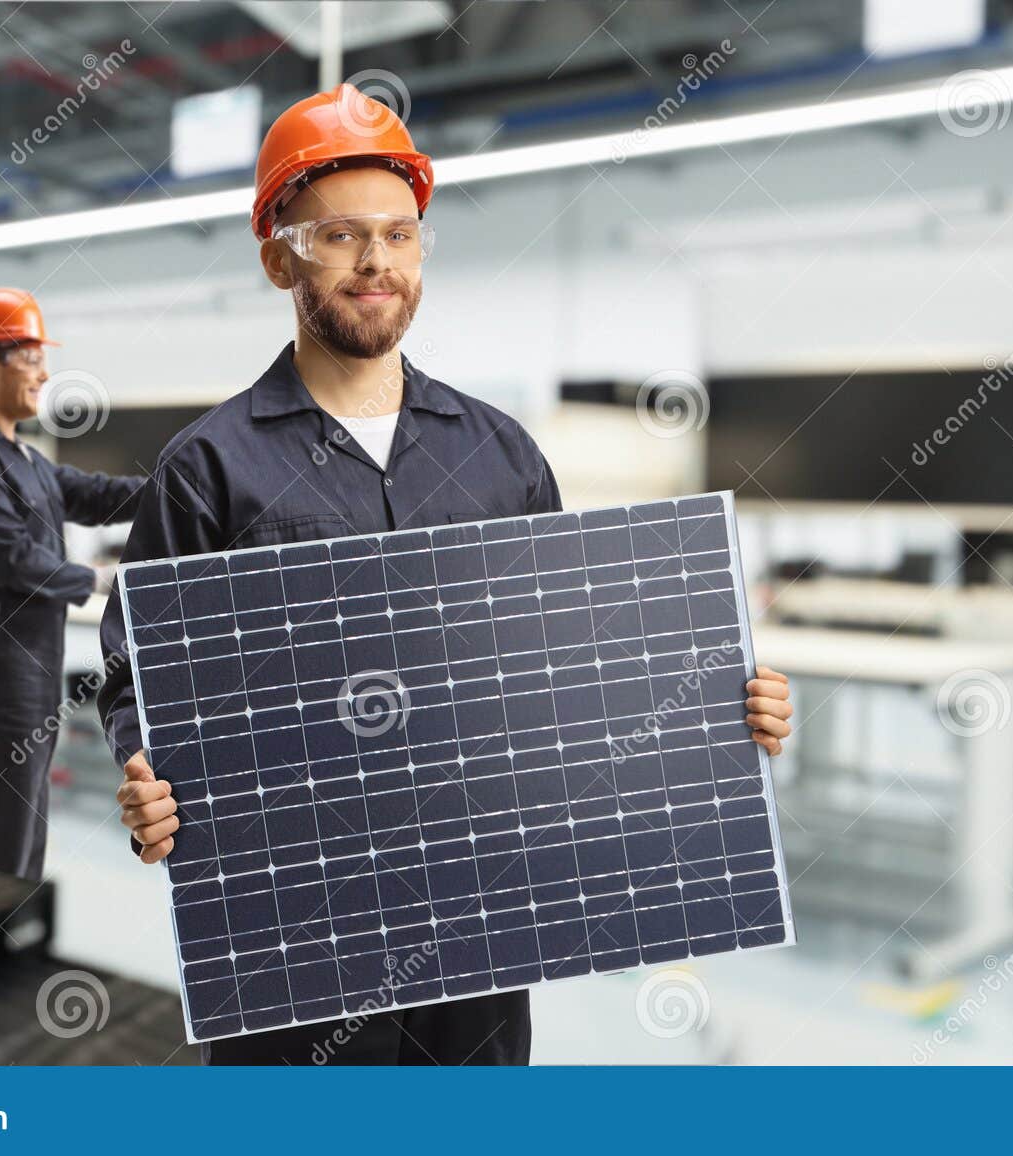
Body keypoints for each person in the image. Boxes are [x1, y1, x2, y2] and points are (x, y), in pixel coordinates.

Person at [96, 84, 794, 1064]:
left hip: (478, 924)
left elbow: (567, 667)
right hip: (295, 929)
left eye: (400, 234)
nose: (376, 261)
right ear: (276, 256)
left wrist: (717, 716)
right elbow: (139, 671)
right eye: (339, 235)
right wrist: (145, 773)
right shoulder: (208, 467)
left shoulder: (501, 454)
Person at [0, 287, 146, 881]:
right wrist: (100, 578)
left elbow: (94, 495)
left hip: (31, 663)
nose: (45, 373)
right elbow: (11, 558)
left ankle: (11, 951)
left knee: (24, 829)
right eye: (31, 357)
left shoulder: (23, 457)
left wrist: (178, 482)